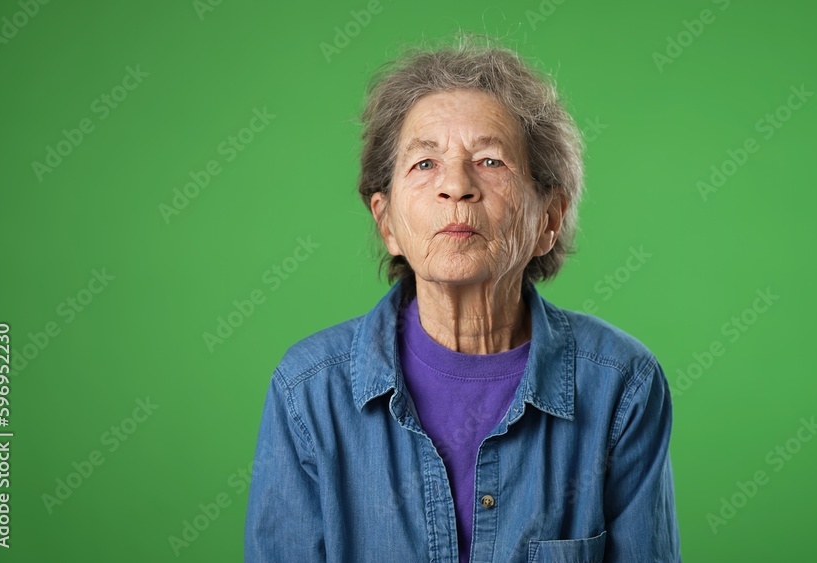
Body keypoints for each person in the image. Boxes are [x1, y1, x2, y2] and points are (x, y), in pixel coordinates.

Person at [244, 33, 681, 562]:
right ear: (387, 222)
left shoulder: (621, 384)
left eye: (491, 161)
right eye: (424, 163)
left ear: (548, 219)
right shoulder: (308, 391)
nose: (456, 186)